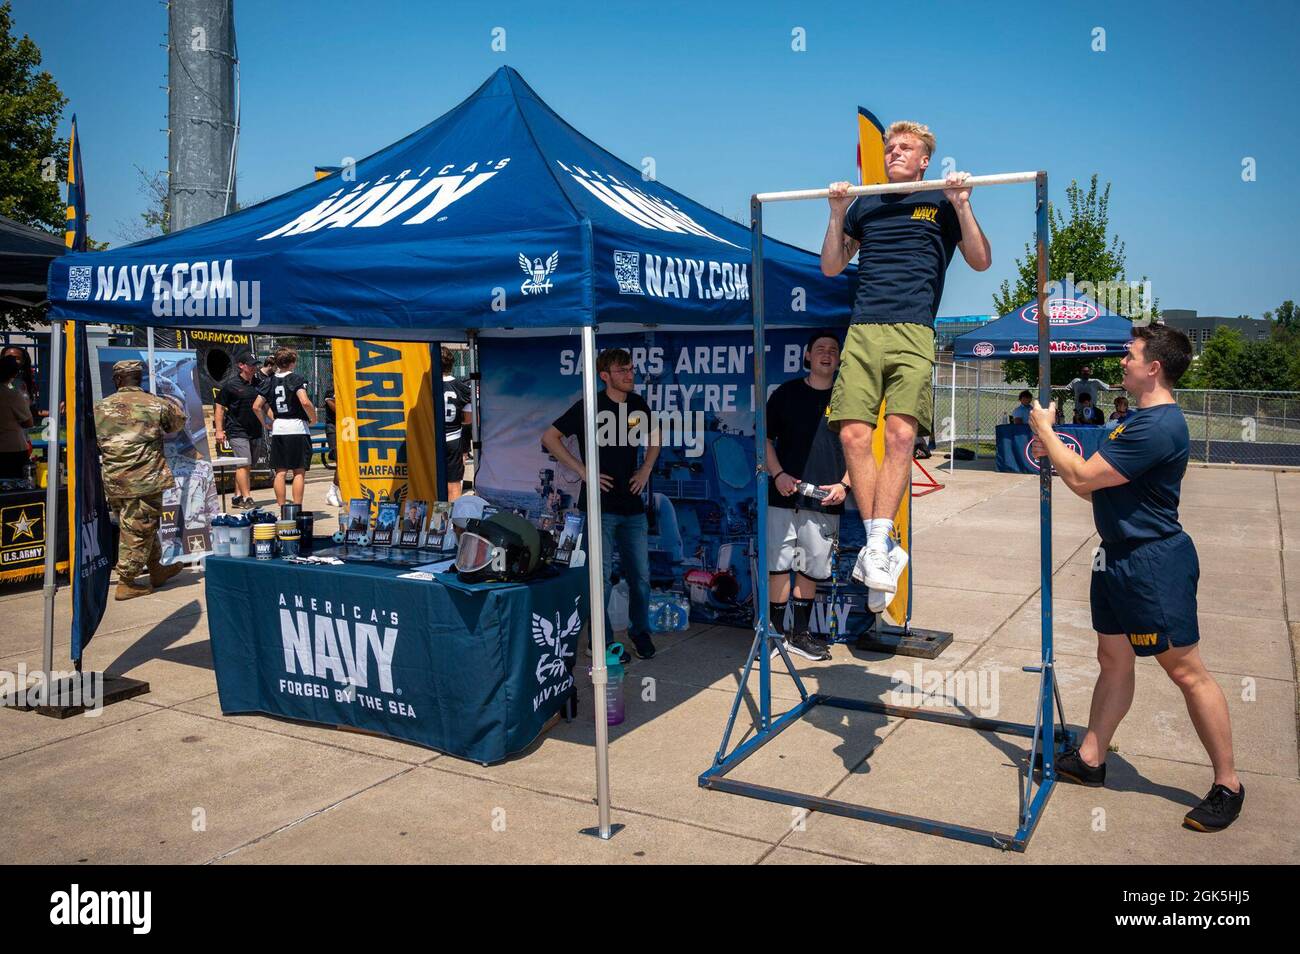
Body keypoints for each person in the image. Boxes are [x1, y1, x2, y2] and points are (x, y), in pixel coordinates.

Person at [1028, 324, 1243, 832]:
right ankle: (1092, 758)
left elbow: (1081, 477)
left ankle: (1228, 784)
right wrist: (1060, 455)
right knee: (1113, 660)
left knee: (1186, 670)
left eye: (1130, 356)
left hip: (1153, 563)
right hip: (1117, 558)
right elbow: (1092, 487)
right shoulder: (1133, 423)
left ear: (1154, 367)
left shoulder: (1159, 425)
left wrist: (1044, 433)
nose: (1121, 362)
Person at [821, 121, 991, 598]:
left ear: (924, 160)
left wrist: (963, 203)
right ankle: (880, 543)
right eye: (890, 147)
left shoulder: (940, 199)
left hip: (913, 326)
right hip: (863, 327)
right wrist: (836, 213)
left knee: (900, 434)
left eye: (905, 148)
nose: (894, 153)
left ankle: (876, 542)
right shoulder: (865, 201)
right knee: (854, 432)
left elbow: (980, 260)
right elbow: (832, 265)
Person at [541, 348, 660, 661]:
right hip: (599, 506)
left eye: (631, 368)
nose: (629, 374)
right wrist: (582, 471)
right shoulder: (589, 406)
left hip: (632, 506)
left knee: (642, 577)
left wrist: (646, 468)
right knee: (601, 580)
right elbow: (549, 437)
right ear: (605, 375)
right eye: (622, 370)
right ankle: (602, 642)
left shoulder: (637, 404)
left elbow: (656, 436)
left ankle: (639, 632)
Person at [766, 332, 851, 662]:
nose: (827, 355)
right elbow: (765, 440)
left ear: (839, 358)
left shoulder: (849, 398)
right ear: (807, 355)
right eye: (820, 349)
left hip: (825, 500)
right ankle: (774, 636)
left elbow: (861, 448)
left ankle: (799, 635)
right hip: (783, 496)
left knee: (811, 568)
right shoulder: (786, 393)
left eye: (833, 350)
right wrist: (778, 474)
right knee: (777, 566)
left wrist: (844, 484)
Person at [94, 359, 187, 600]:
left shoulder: (100, 407)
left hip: (115, 481)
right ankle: (126, 581)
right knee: (137, 529)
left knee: (138, 525)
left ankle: (157, 569)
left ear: (117, 380)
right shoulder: (155, 404)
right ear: (140, 378)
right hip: (144, 479)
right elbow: (177, 424)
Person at [253, 347, 317, 507]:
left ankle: (283, 509)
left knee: (280, 472)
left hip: (279, 428)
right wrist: (313, 418)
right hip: (297, 428)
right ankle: (296, 508)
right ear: (292, 362)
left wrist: (266, 423)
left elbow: (256, 406)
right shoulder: (296, 379)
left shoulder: (269, 381)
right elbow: (304, 401)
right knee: (299, 471)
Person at [213, 350, 267, 510]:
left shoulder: (259, 384)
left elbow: (265, 405)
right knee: (243, 464)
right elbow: (220, 409)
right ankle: (247, 497)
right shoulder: (230, 385)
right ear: (241, 366)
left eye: (255, 365)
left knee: (246, 466)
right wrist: (219, 431)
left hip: (255, 430)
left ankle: (237, 497)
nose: (254, 368)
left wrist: (273, 421)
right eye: (250, 365)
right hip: (237, 431)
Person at [441, 346, 472, 502]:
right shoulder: (463, 388)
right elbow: (468, 419)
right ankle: (454, 524)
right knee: (453, 485)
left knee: (431, 480)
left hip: (432, 438)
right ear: (452, 364)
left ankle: (433, 523)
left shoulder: (426, 386)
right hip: (453, 438)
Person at [0, 355, 34, 479]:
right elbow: (28, 422)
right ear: (14, 373)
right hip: (11, 449)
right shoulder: (12, 395)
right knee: (14, 488)